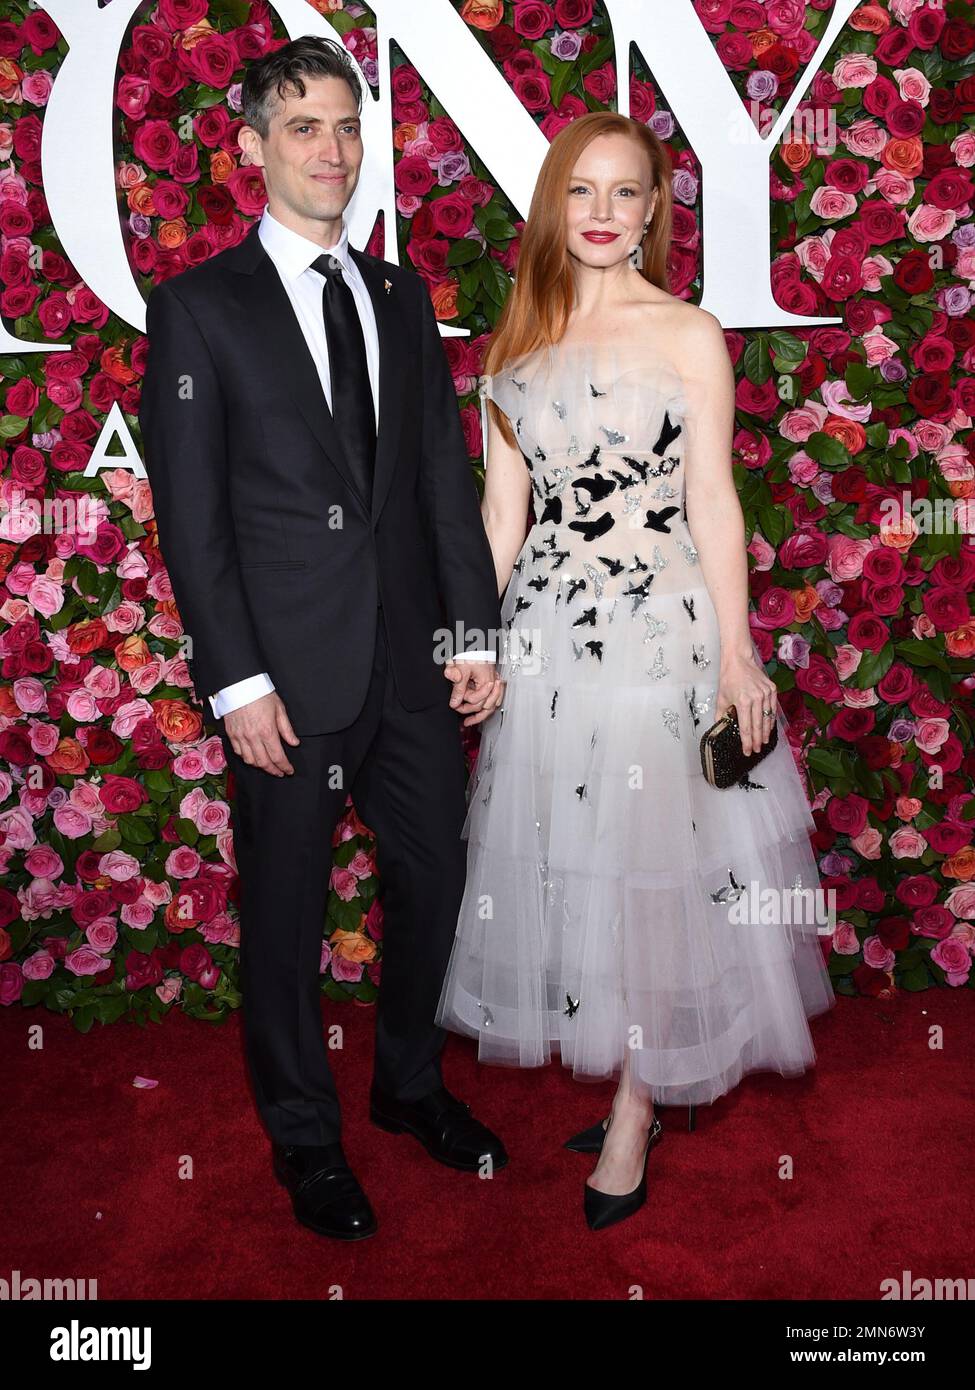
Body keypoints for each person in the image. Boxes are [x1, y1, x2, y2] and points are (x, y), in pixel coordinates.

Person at [435, 111, 836, 1232]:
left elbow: (715, 497)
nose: (604, 213)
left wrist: (741, 653)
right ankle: (630, 1075)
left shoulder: (688, 332)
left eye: (627, 193)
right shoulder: (513, 350)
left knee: (658, 868)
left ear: (655, 211)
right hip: (551, 643)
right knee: (576, 866)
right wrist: (478, 643)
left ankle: (634, 1104)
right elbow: (499, 520)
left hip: (664, 635)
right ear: (554, 208)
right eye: (583, 192)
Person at [139, 35, 508, 1243]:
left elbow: (445, 487)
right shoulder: (198, 310)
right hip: (285, 678)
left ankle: (407, 1087)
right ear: (252, 149)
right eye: (303, 128)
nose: (332, 151)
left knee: (438, 882)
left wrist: (471, 632)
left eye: (347, 127)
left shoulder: (400, 298)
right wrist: (237, 679)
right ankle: (306, 1138)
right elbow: (194, 523)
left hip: (411, 663)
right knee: (289, 915)